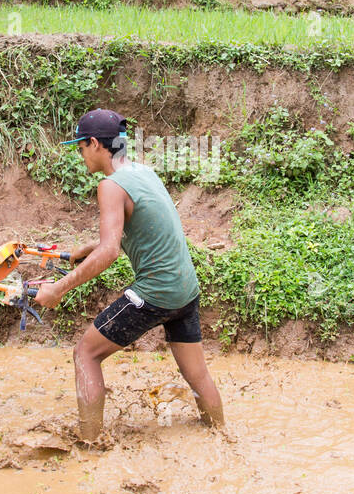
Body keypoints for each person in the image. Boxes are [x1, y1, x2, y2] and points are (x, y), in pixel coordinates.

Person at [32, 109, 225, 442]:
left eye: (81, 147)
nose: (81, 155)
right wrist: (84, 248)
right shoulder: (142, 172)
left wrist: (58, 289)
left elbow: (109, 253)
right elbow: (138, 229)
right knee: (197, 375)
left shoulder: (110, 186)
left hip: (156, 293)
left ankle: (90, 442)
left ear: (95, 144)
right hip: (185, 290)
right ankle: (223, 436)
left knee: (85, 354)